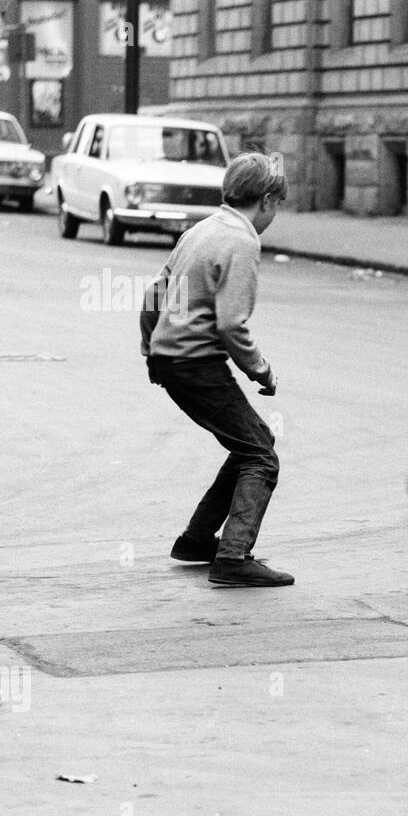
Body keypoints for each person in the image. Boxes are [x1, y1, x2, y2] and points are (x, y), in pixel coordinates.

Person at [140, 152, 292, 587]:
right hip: (198, 365)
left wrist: (151, 349)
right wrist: (260, 370)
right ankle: (233, 556)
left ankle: (196, 540)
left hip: (173, 362)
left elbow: (154, 293)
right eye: (276, 206)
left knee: (252, 442)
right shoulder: (242, 241)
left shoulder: (200, 229)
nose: (274, 216)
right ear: (264, 200)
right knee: (262, 457)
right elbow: (230, 323)